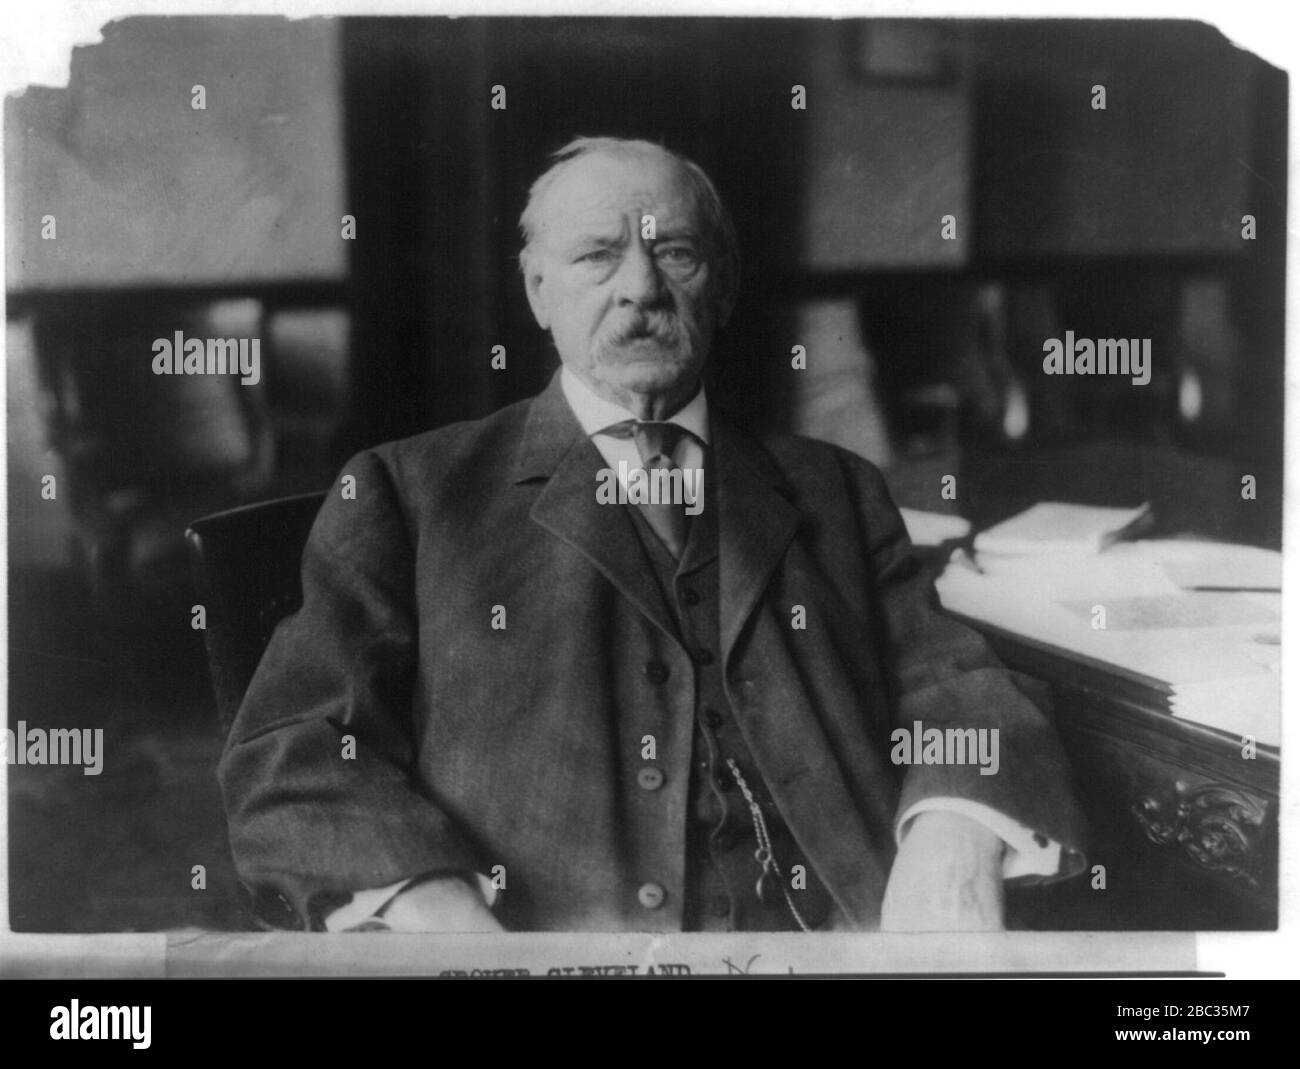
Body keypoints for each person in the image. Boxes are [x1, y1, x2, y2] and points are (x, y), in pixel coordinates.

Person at [218, 136, 1086, 933]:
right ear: (538, 292)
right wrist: (435, 909)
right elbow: (295, 748)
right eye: (599, 255)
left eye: (675, 251)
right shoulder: (410, 493)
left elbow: (957, 687)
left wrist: (953, 838)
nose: (640, 287)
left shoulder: (835, 489)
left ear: (725, 284)